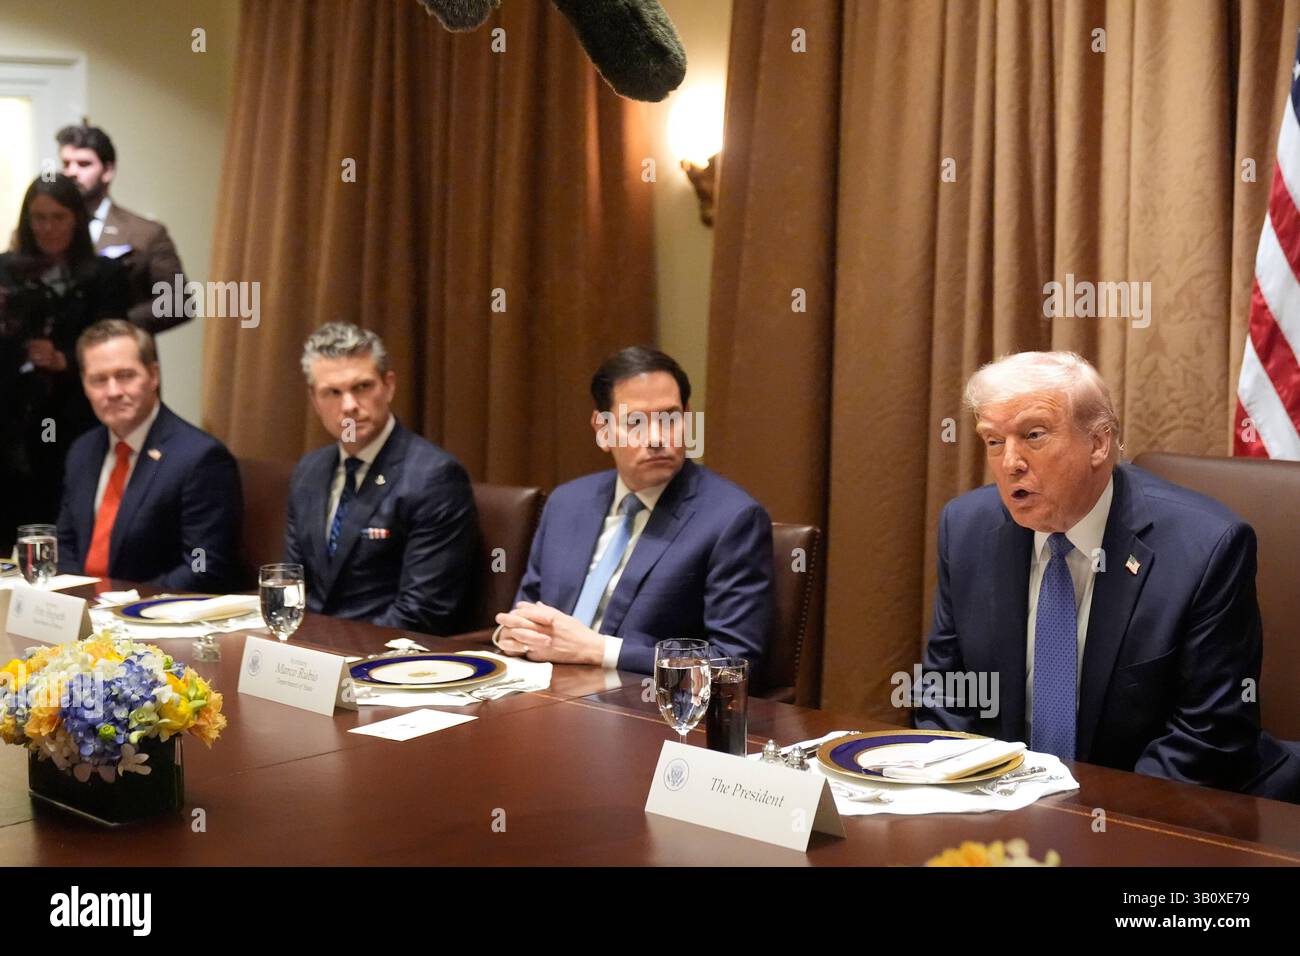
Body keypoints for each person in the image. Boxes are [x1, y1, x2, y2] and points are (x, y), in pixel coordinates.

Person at [916, 350, 1299, 800]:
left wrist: (1086, 824)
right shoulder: (966, 528)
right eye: (994, 441)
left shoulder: (1207, 548)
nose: (1010, 463)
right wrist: (959, 802)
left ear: (1099, 444)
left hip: (1157, 811)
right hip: (1005, 816)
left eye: (1033, 435)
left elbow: (1209, 735)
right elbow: (948, 695)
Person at [495, 346, 773, 675]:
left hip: (639, 708)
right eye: (635, 422)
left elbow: (734, 663)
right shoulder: (567, 502)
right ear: (602, 431)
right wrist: (512, 634)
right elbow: (527, 610)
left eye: (671, 418)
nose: (656, 438)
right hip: (540, 691)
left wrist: (599, 650)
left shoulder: (731, 519)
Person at [284, 322, 478, 634]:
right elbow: (293, 585)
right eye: (332, 392)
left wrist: (331, 654)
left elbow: (422, 612)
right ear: (314, 400)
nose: (349, 406)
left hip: (389, 660)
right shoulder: (310, 470)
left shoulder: (435, 477)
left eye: (362, 387)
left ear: (388, 386)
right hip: (310, 658)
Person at [56, 320, 242, 590]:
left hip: (153, 618)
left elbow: (204, 567)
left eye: (125, 375)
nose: (113, 392)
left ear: (153, 376)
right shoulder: (82, 451)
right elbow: (66, 544)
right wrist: (77, 597)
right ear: (84, 385)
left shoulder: (200, 458)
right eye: (98, 380)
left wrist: (121, 604)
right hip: (85, 618)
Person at [0, 174, 129, 548]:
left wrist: (64, 359)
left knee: (68, 525)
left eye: (58, 217)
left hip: (76, 416)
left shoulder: (103, 275)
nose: (48, 228)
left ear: (75, 219)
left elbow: (114, 339)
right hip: (14, 419)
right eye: (39, 218)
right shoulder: (7, 270)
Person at [57, 124, 188, 334]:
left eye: (83, 164)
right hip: (57, 360)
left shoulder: (146, 233)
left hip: (123, 352)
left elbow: (178, 302)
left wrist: (118, 321)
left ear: (107, 171)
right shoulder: (43, 230)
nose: (72, 172)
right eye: (66, 163)